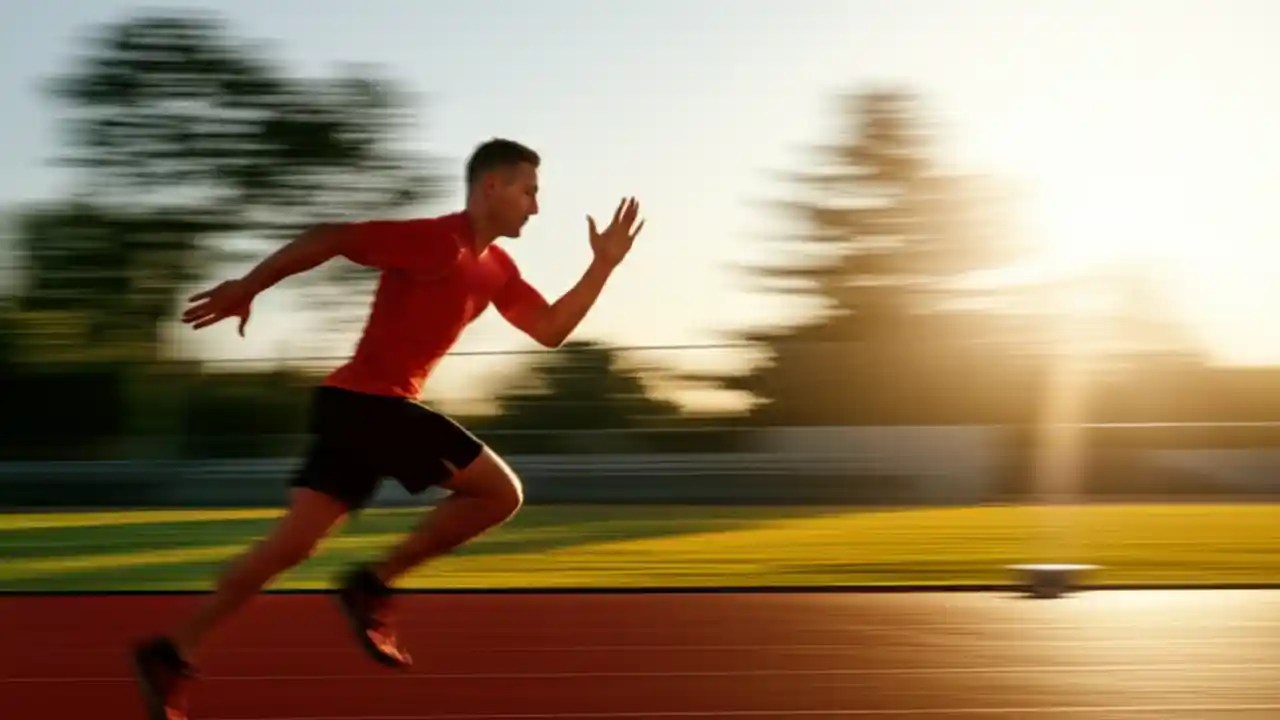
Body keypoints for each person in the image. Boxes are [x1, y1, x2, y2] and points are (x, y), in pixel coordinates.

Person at [130, 138, 644, 720]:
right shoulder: (435, 242)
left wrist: (603, 264)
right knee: (501, 493)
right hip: (369, 406)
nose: (535, 207)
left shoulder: (499, 270)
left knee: (291, 546)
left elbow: (550, 328)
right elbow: (331, 237)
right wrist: (248, 286)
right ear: (491, 187)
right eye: (529, 191)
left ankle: (172, 652)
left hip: (350, 409)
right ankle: (372, 584)